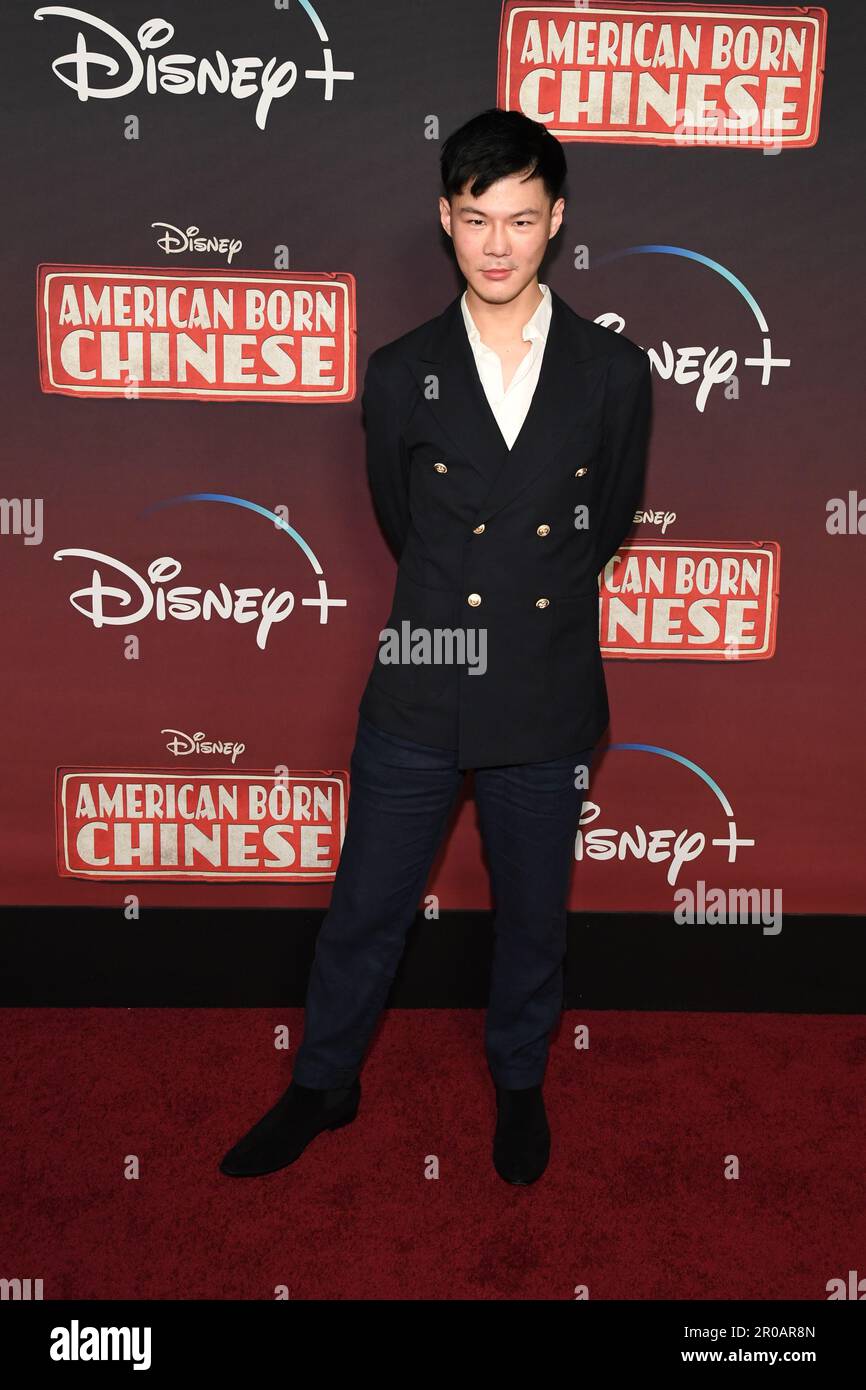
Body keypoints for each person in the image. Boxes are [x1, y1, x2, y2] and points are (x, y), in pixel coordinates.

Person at [220, 107, 652, 1185]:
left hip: (543, 687)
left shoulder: (609, 372)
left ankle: (517, 1079)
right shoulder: (398, 368)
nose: (495, 243)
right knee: (366, 901)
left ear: (554, 221)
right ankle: (324, 1080)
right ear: (444, 222)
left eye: (518, 218)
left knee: (532, 912)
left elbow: (601, 530)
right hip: (419, 673)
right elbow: (401, 521)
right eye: (474, 218)